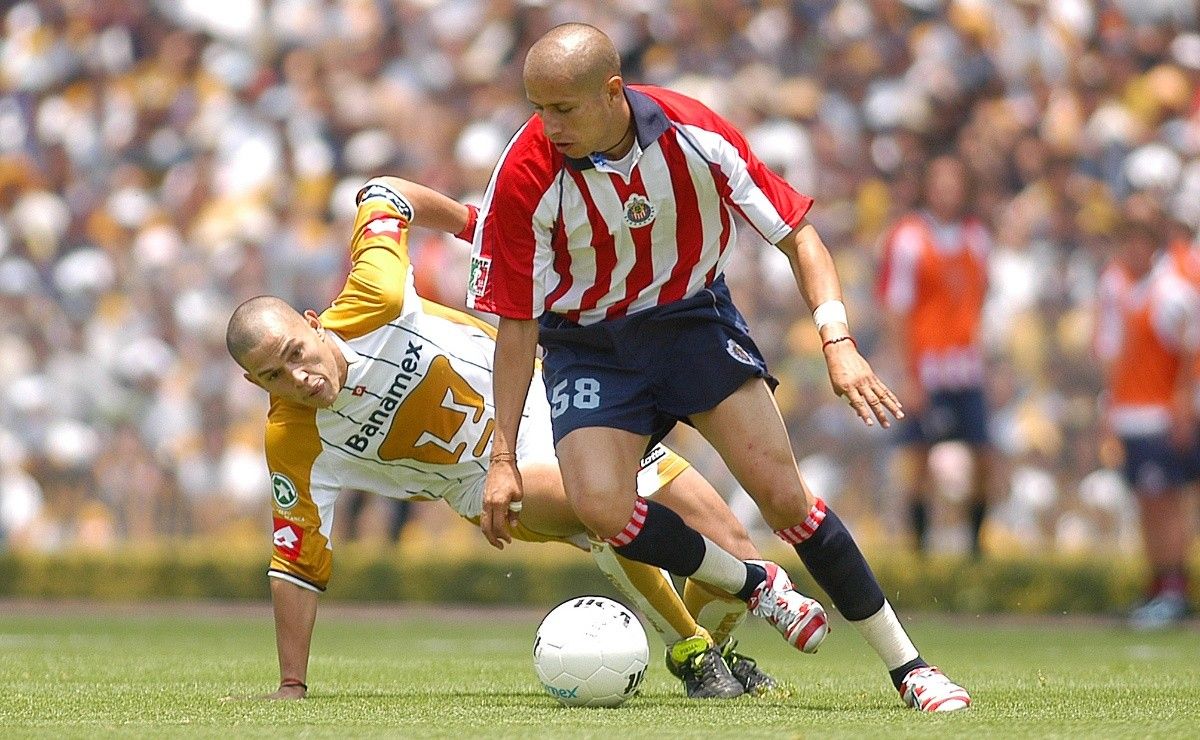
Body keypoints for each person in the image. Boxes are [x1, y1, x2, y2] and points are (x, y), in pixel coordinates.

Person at [467, 22, 970, 712]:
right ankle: (757, 584)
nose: (545, 125)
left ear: (613, 92)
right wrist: (502, 455)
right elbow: (517, 323)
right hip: (588, 344)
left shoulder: (694, 133)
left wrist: (837, 342)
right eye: (535, 106)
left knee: (785, 499)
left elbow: (798, 235)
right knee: (601, 508)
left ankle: (912, 669)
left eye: (562, 108)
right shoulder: (525, 174)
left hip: (690, 325)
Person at [226, 174, 780, 701]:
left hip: (549, 404)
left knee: (728, 538)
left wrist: (476, 227)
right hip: (482, 482)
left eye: (296, 353)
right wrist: (293, 686)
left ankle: (721, 645)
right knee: (594, 501)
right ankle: (693, 650)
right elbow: (295, 565)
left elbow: (385, 193)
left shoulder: (376, 297)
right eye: (273, 376)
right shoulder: (293, 441)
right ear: (255, 384)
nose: (298, 377)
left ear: (313, 322)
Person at [877, 154, 996, 556]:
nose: (948, 190)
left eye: (954, 181)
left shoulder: (976, 236)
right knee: (919, 459)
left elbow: (980, 299)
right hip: (926, 367)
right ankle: (919, 551)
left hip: (966, 366)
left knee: (983, 456)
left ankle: (975, 549)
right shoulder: (909, 237)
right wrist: (907, 373)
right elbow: (896, 309)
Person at [1095, 196, 1200, 630]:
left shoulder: (1171, 291)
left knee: (1166, 503)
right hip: (1131, 413)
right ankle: (1157, 584)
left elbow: (1191, 350)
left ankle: (1176, 588)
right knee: (1145, 502)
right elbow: (1112, 355)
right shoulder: (1118, 287)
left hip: (1159, 413)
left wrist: (1181, 406)